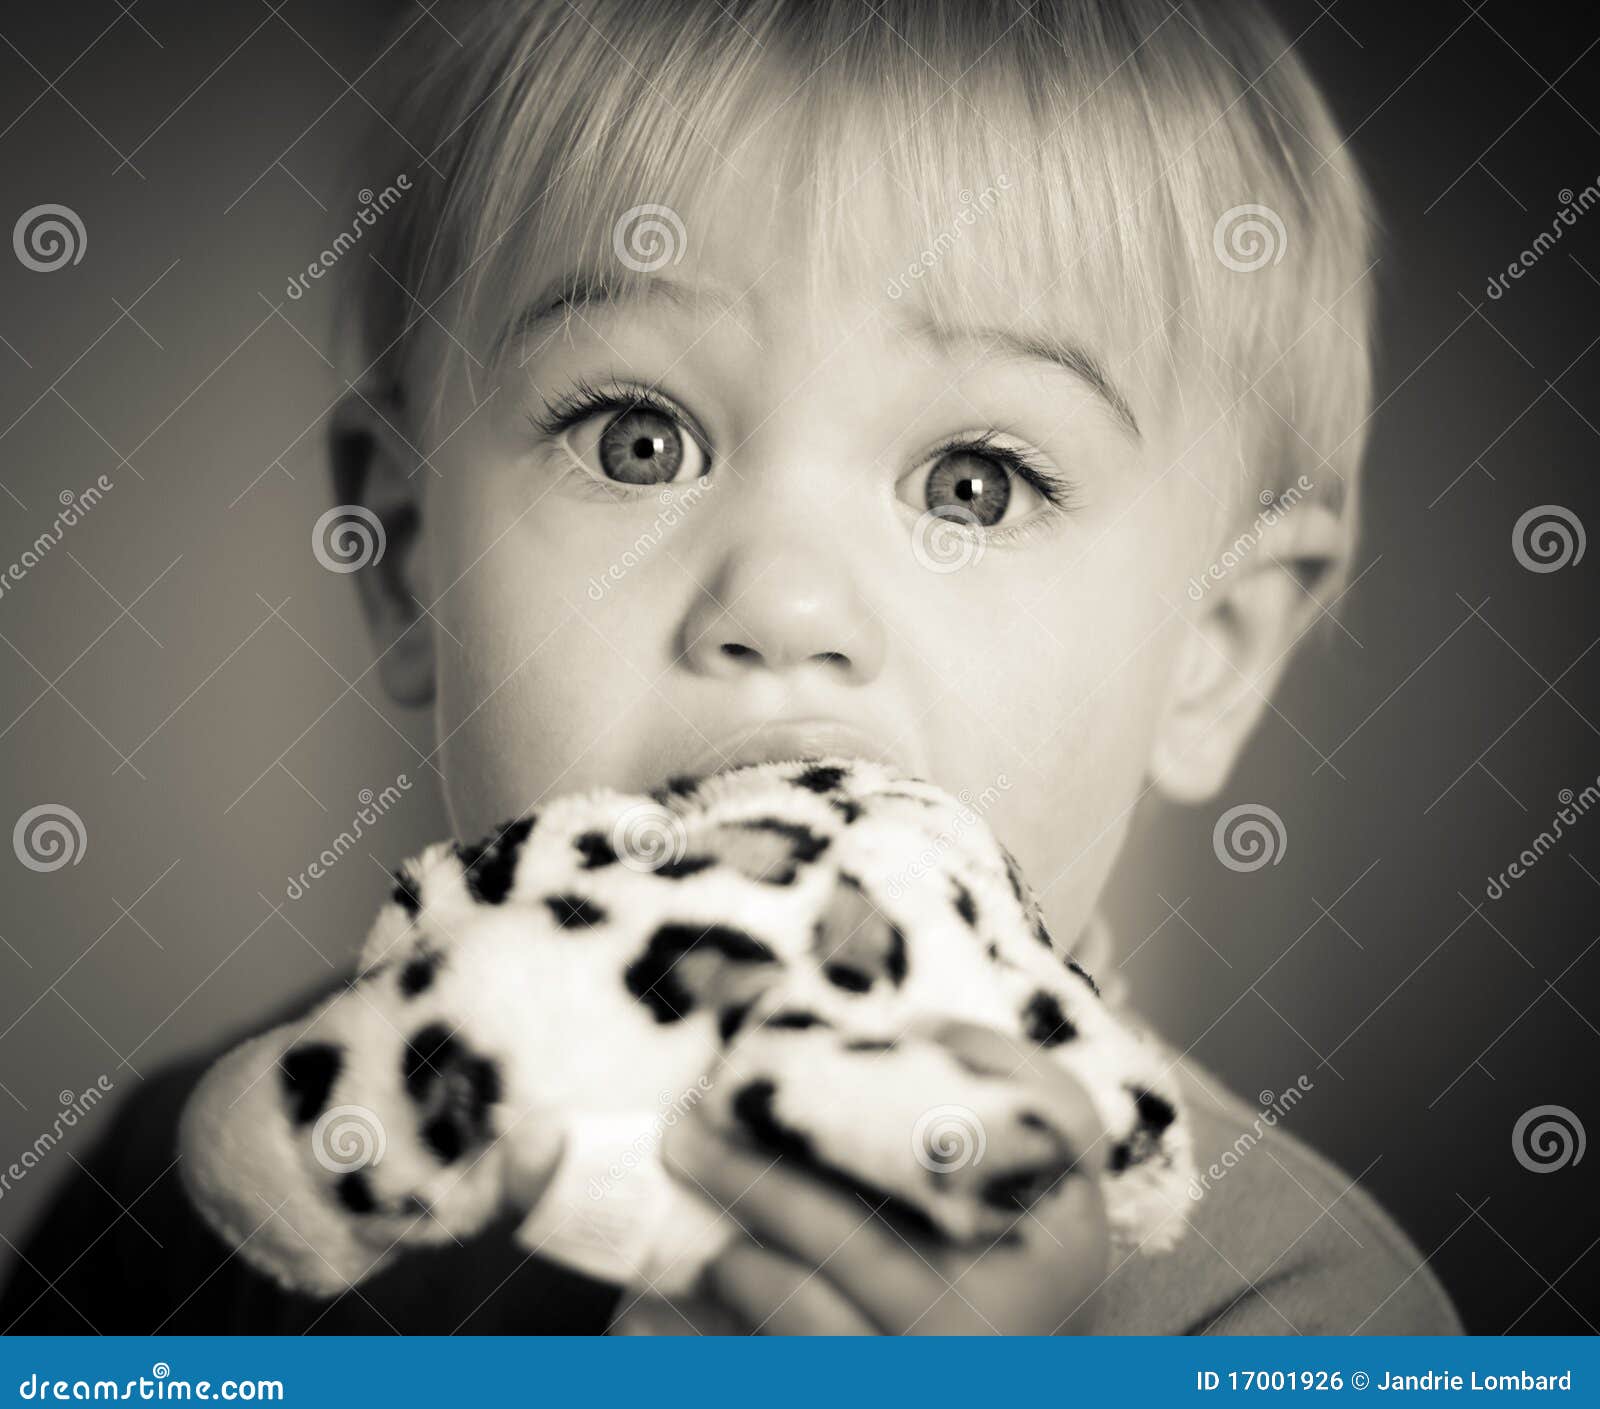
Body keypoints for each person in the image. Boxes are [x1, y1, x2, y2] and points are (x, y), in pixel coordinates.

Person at [0, 0, 1461, 1335]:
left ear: (1212, 649)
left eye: (975, 484)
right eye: (639, 438)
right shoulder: (217, 1198)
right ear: (403, 556)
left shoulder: (1297, 1309)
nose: (783, 599)